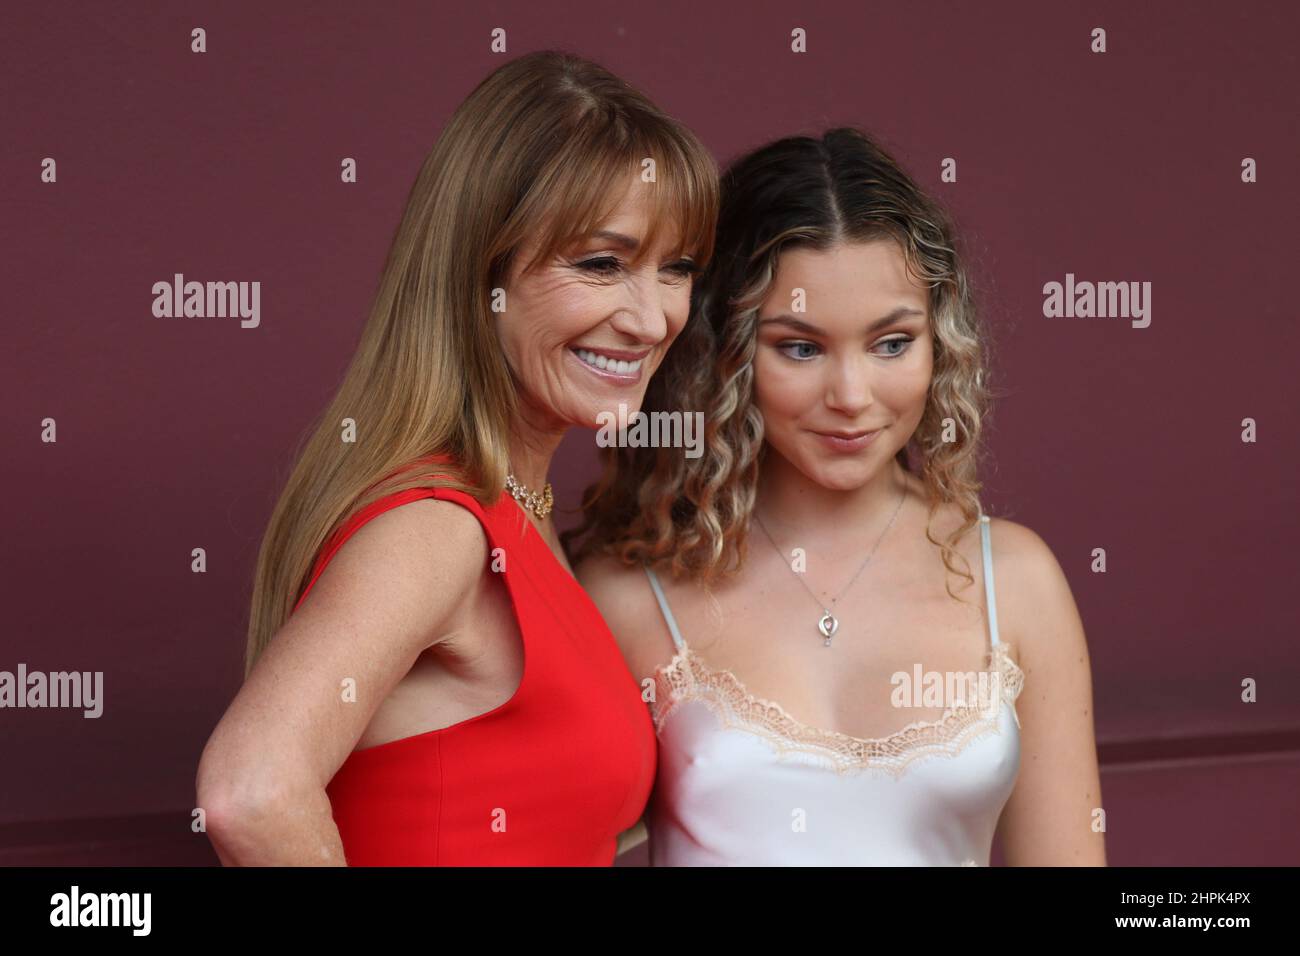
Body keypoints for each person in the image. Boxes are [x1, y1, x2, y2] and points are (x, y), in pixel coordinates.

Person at [195, 50, 718, 866]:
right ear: (483, 273)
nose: (651, 321)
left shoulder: (521, 512)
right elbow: (250, 794)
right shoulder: (438, 525)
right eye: (602, 264)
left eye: (675, 269)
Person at [571, 127, 1105, 865]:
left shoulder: (1016, 581)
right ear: (720, 351)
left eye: (891, 343)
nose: (851, 397)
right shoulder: (628, 590)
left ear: (940, 341)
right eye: (800, 346)